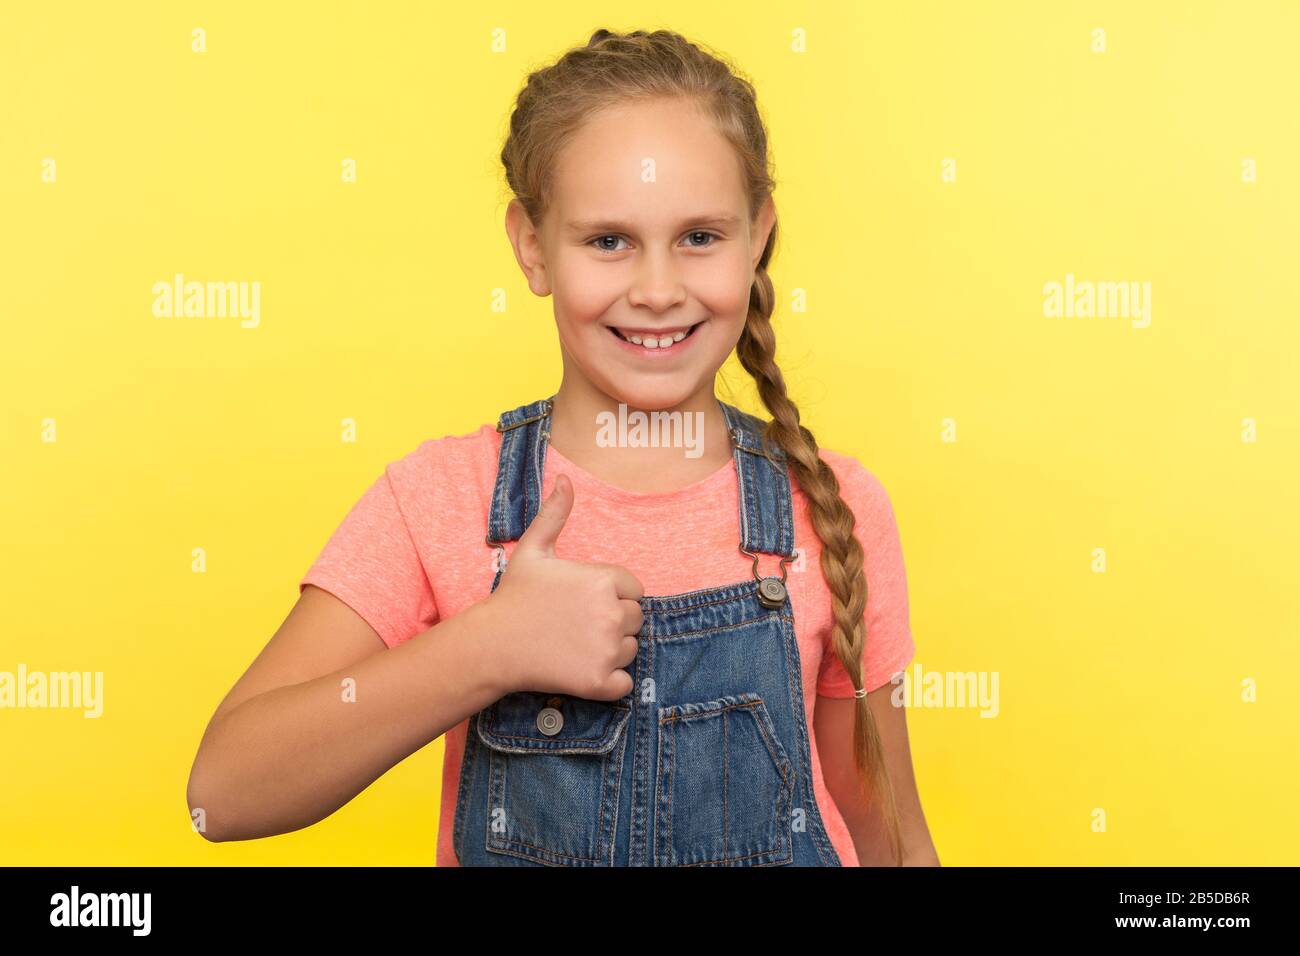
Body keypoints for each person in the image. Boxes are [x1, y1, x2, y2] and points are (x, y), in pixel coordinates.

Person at [187, 27, 939, 867]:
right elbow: (221, 794)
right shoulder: (443, 499)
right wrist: (487, 649)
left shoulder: (834, 505)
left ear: (758, 234)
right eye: (608, 240)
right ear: (532, 245)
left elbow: (892, 833)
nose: (658, 290)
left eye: (700, 236)